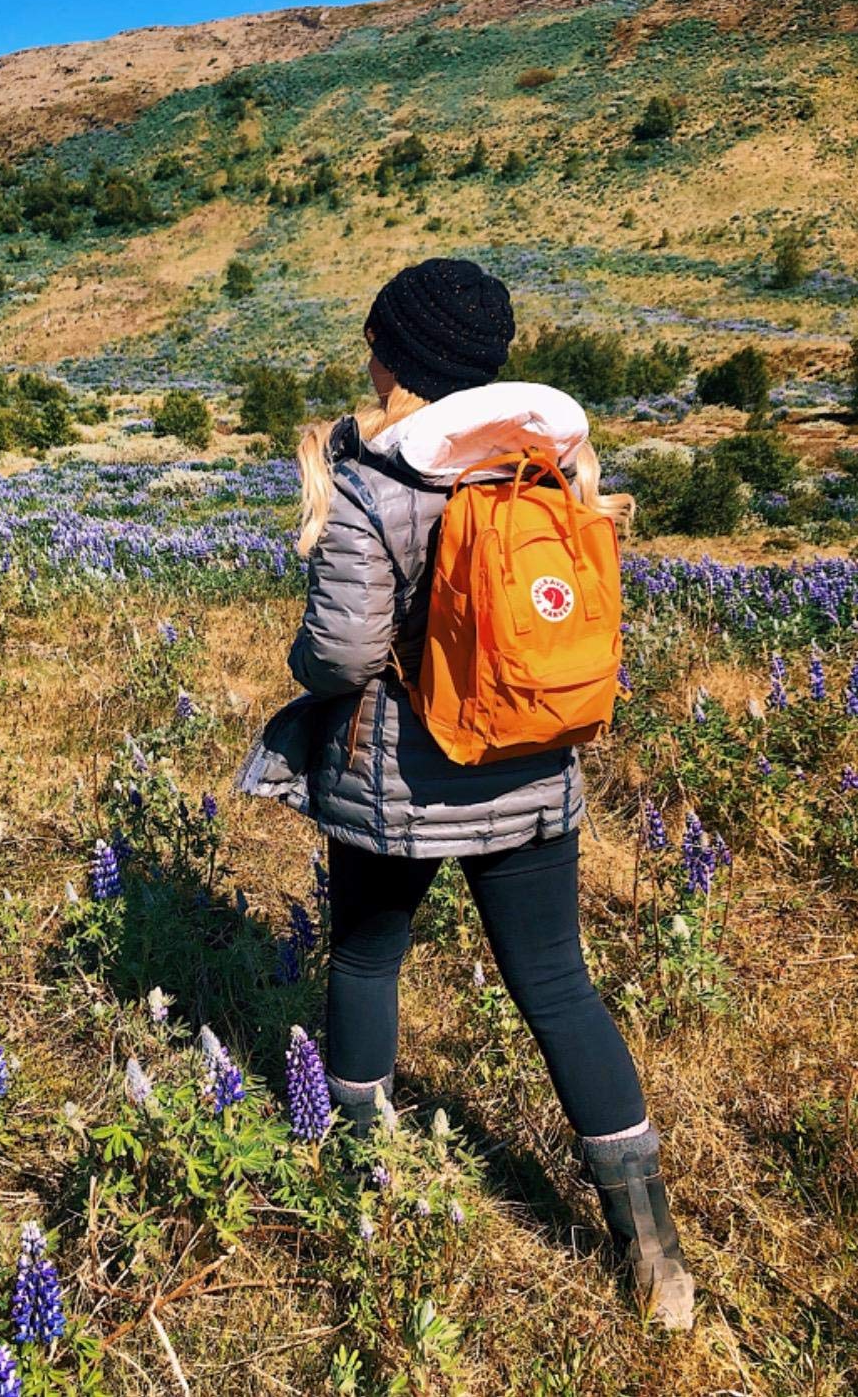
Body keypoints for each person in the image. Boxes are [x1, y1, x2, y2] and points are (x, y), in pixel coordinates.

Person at [238, 257, 694, 1330]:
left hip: (401, 780)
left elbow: (343, 654)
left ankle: (360, 1183)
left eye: (374, 343)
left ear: (399, 357)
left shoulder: (377, 477)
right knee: (556, 984)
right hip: (535, 766)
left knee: (362, 958)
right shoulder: (547, 463)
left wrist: (303, 671)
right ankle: (653, 1253)